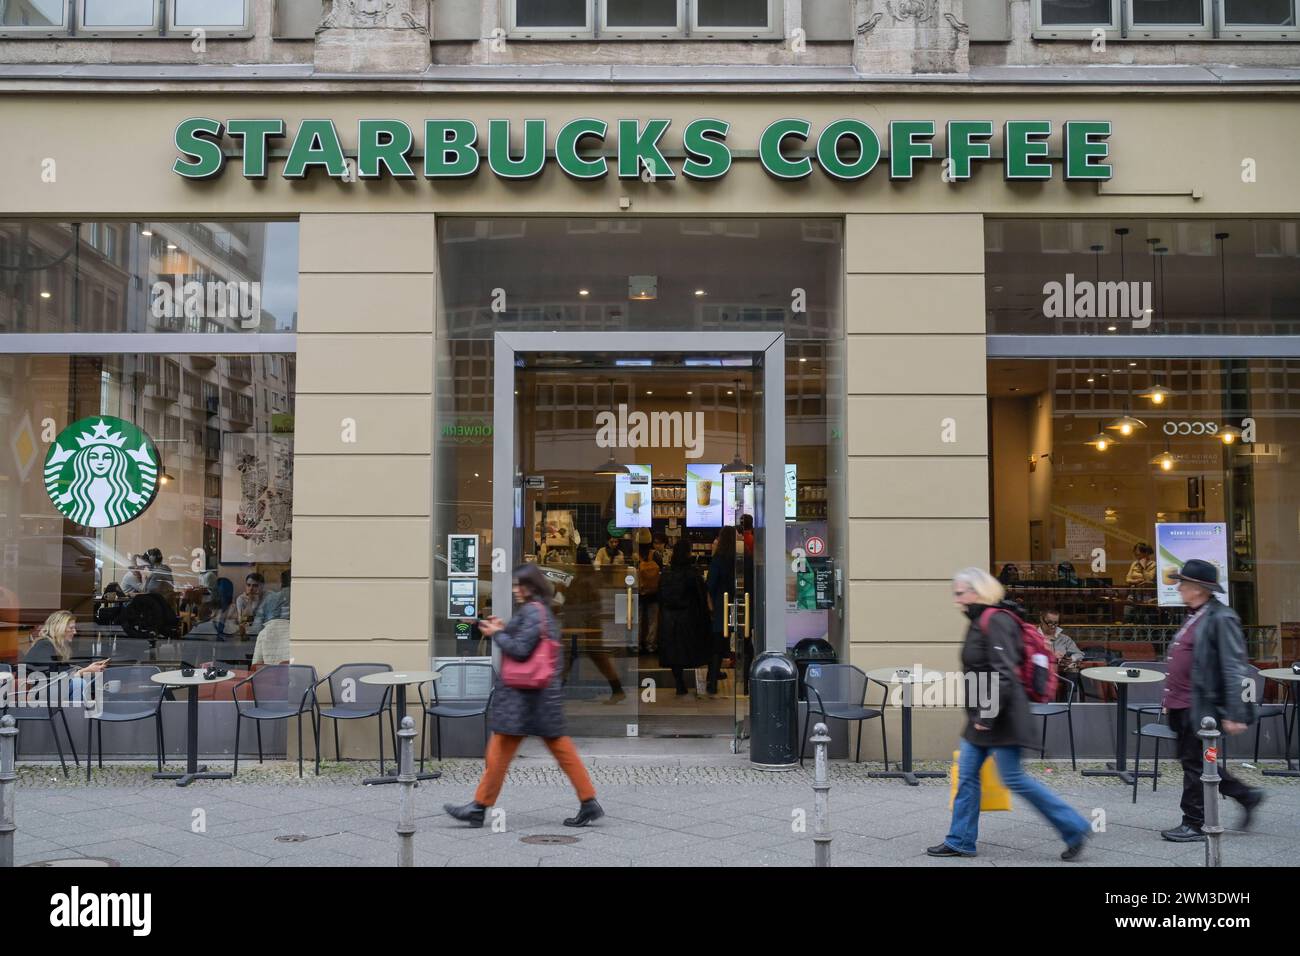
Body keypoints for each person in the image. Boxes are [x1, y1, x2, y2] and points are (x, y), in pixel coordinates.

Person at [928, 568, 1091, 861]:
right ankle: (960, 840)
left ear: (978, 591)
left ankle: (1074, 827)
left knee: (1015, 779)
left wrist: (986, 716)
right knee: (966, 776)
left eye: (960, 592)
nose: (956, 599)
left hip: (1001, 718)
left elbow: (1004, 674)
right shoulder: (980, 620)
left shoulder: (996, 620)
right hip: (984, 716)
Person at [444, 564, 603, 828]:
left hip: (527, 697)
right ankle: (588, 802)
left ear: (532, 586)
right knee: (550, 750)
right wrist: (502, 629)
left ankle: (479, 807)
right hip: (536, 697)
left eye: (520, 585)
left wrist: (497, 634)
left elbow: (519, 650)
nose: (516, 590)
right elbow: (525, 643)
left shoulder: (533, 610)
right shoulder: (539, 610)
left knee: (503, 752)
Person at [1158, 559, 1263, 843]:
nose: (1178, 587)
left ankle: (1194, 822)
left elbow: (1233, 667)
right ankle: (1247, 796)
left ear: (1198, 588)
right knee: (1199, 762)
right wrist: (1170, 697)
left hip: (1202, 708)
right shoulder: (1196, 614)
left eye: (1183, 582)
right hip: (1183, 704)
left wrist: (1235, 712)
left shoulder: (1221, 617)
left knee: (1197, 763)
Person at [657, 540, 711, 695]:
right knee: (689, 649)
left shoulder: (666, 573)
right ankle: (708, 680)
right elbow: (701, 596)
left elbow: (660, 596)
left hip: (669, 618)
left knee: (673, 652)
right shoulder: (693, 573)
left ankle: (679, 682)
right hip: (688, 617)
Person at [23, 610, 108, 702]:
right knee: (79, 683)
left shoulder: (56, 646)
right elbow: (52, 680)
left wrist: (87, 670)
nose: (74, 632)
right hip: (42, 693)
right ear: (60, 629)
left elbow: (62, 673)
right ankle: (75, 713)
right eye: (71, 628)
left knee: (89, 680)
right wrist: (84, 671)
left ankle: (84, 709)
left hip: (51, 689)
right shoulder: (44, 645)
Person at [705, 527, 737, 698]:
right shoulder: (739, 559)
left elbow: (710, 584)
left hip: (720, 605)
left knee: (716, 643)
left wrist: (710, 607)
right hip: (736, 605)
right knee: (725, 642)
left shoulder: (718, 559)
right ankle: (744, 683)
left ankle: (712, 681)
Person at [636, 543, 661, 656]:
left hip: (640, 592)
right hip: (654, 593)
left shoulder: (636, 555)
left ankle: (637, 645)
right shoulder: (655, 554)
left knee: (638, 619)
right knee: (653, 621)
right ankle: (651, 645)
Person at [235, 572, 269, 636]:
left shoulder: (269, 597)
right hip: (249, 634)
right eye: (248, 585)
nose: (251, 588)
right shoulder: (241, 599)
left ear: (262, 586)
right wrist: (249, 602)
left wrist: (258, 600)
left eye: (255, 586)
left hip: (265, 634)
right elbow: (244, 623)